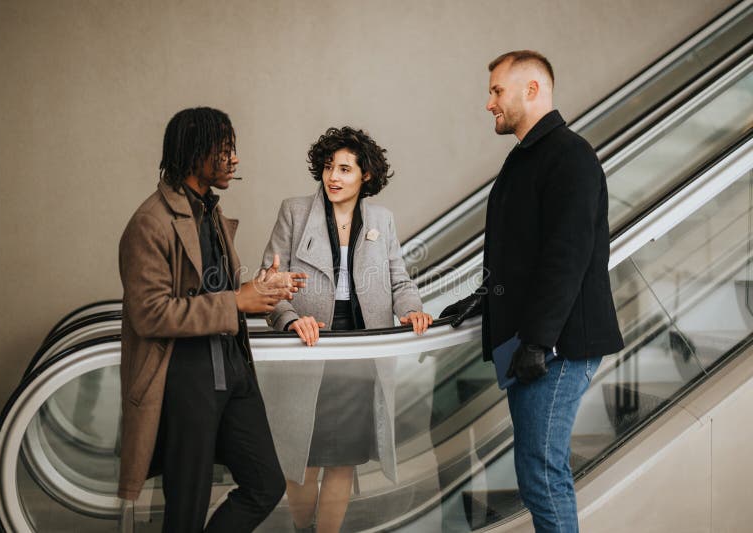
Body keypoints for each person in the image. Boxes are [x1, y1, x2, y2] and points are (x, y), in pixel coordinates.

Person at [442, 51, 624, 532]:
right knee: (537, 473)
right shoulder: (527, 158)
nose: (488, 103)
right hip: (536, 342)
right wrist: (483, 297)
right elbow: (521, 254)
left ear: (532, 90)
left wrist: (539, 341)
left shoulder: (570, 155)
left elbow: (567, 256)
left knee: (542, 475)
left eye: (497, 91)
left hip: (557, 346)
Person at [117, 107, 306, 532]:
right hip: (187, 378)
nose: (234, 159)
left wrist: (263, 287)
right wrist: (239, 301)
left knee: (265, 484)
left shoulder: (211, 213)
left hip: (233, 370)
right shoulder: (150, 223)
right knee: (187, 507)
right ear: (194, 152)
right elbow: (149, 314)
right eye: (225, 150)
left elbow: (218, 289)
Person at [258, 126, 433, 533]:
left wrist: (411, 310)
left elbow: (399, 281)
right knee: (305, 459)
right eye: (327, 168)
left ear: (365, 175)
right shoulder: (294, 211)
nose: (333, 177)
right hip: (307, 346)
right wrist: (290, 319)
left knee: (343, 459)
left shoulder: (382, 220)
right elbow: (269, 284)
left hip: (359, 352)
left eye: (344, 169)